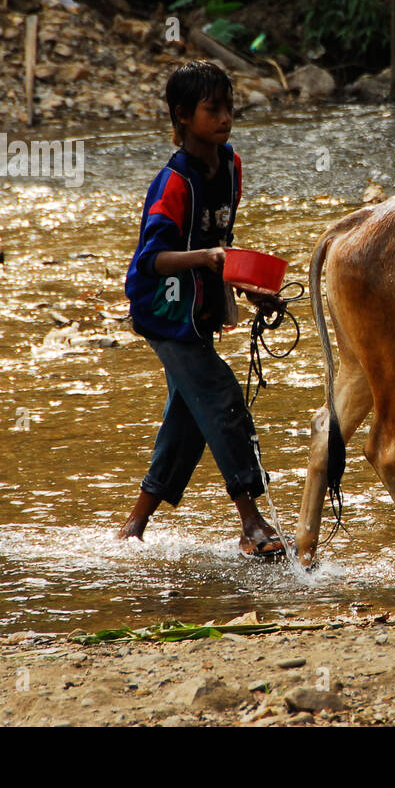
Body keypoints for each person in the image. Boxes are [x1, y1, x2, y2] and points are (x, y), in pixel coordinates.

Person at [120, 59, 287, 559]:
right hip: (165, 315)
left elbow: (222, 244)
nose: (224, 118)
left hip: (201, 311)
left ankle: (133, 529)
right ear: (181, 115)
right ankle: (252, 523)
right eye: (211, 109)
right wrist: (210, 260)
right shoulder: (173, 183)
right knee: (221, 397)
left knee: (188, 419)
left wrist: (250, 289)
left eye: (228, 108)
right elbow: (153, 260)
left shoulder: (230, 166)